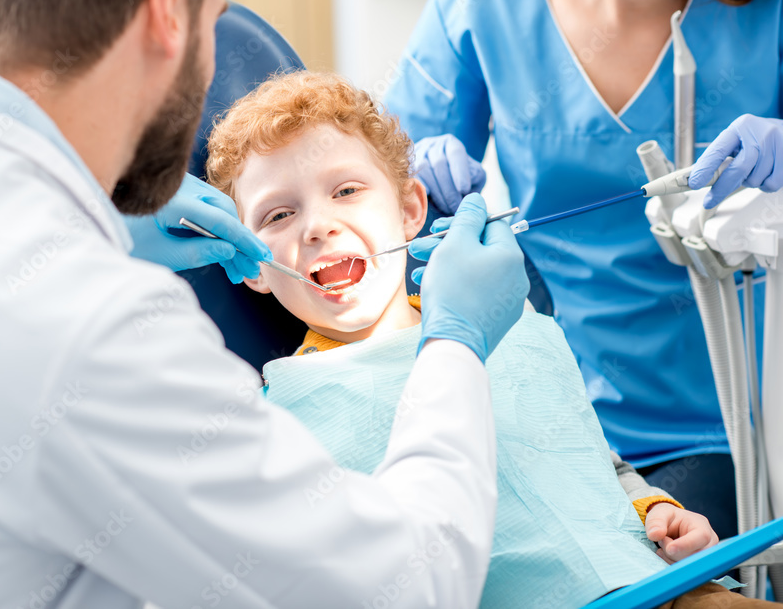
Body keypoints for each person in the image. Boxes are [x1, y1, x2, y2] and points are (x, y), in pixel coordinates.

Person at [0, 0, 533, 607]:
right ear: (171, 11)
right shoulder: (96, 327)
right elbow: (409, 588)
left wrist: (99, 221)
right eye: (215, 18)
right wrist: (457, 343)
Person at [204, 70, 774, 608]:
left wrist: (657, 511)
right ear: (250, 263)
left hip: (668, 591)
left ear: (410, 210)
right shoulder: (284, 419)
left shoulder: (508, 320)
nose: (317, 225)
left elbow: (589, 461)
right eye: (278, 215)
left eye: (346, 190)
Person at [383, 0, 783, 540]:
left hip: (727, 427)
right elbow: (379, 203)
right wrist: (414, 182)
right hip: (542, 417)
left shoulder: (769, 12)